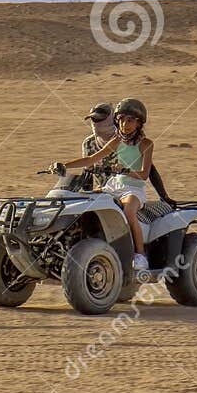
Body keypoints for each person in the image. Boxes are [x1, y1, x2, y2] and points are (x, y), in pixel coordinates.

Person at [56, 98, 156, 274]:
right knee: (84, 201)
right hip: (113, 185)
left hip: (133, 188)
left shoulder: (146, 144)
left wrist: (125, 170)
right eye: (122, 119)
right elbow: (91, 159)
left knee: (128, 212)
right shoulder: (117, 141)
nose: (125, 124)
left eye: (130, 120)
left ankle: (140, 255)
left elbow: (145, 174)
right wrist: (64, 165)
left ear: (139, 122)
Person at [81, 102, 171, 204]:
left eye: (101, 120)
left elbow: (150, 171)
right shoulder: (89, 144)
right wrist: (86, 195)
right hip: (105, 191)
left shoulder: (127, 140)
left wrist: (164, 196)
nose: (97, 124)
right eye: (94, 120)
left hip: (127, 191)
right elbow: (88, 170)